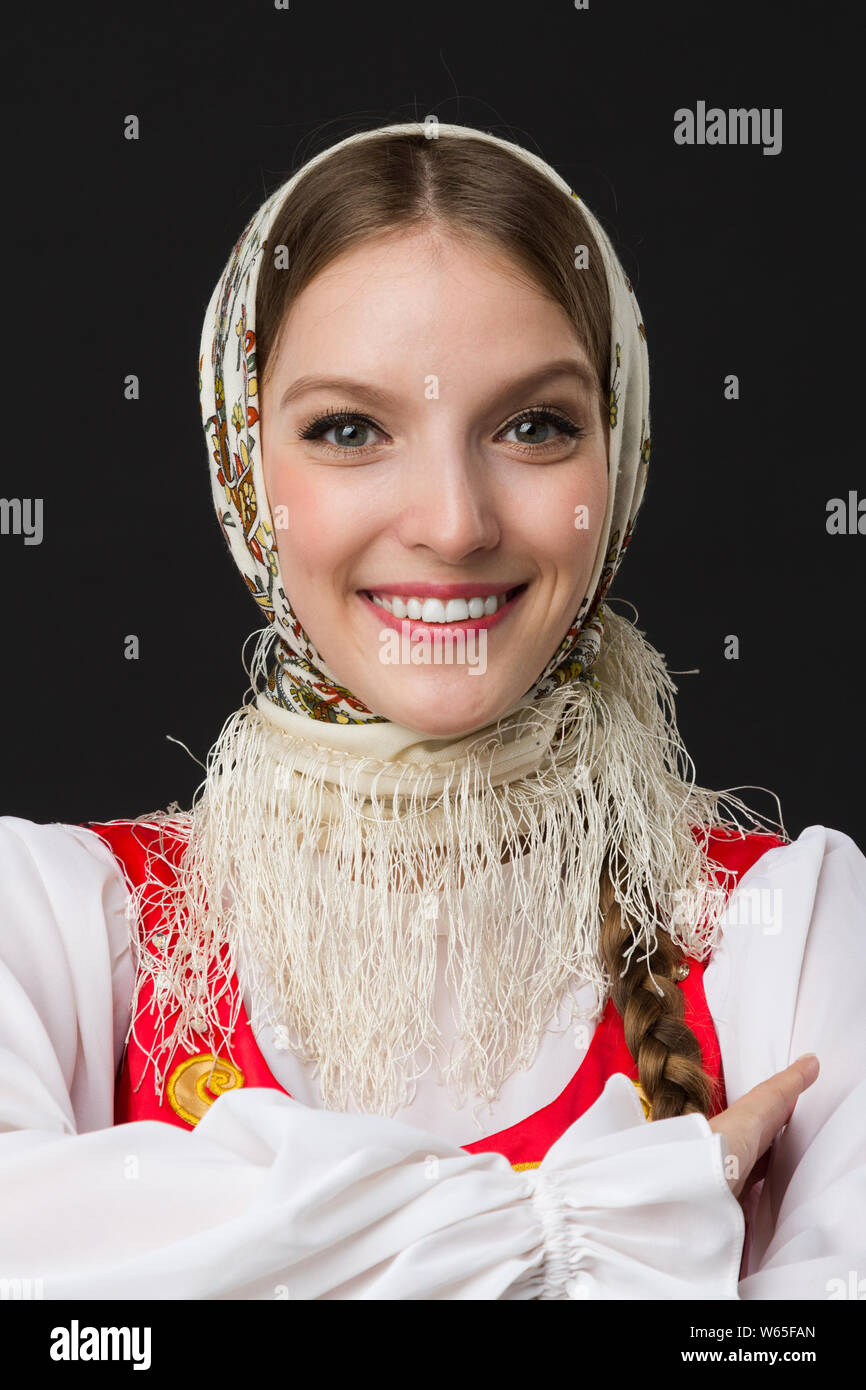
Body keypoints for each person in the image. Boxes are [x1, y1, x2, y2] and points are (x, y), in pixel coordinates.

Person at [0, 120, 863, 1301]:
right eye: (349, 430)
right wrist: (570, 1231)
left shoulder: (794, 933)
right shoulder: (49, 933)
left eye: (533, 425)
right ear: (247, 466)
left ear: (620, 450)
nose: (453, 522)